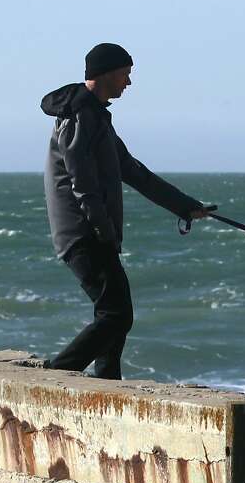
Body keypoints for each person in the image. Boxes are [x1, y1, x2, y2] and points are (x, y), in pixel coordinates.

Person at [40, 42, 210, 380]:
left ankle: (106, 381)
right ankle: (57, 374)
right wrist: (102, 230)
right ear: (105, 74)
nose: (128, 84)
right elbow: (82, 184)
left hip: (94, 232)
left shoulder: (97, 117)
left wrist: (186, 207)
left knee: (115, 313)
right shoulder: (78, 117)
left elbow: (132, 171)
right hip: (82, 233)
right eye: (125, 75)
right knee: (116, 314)